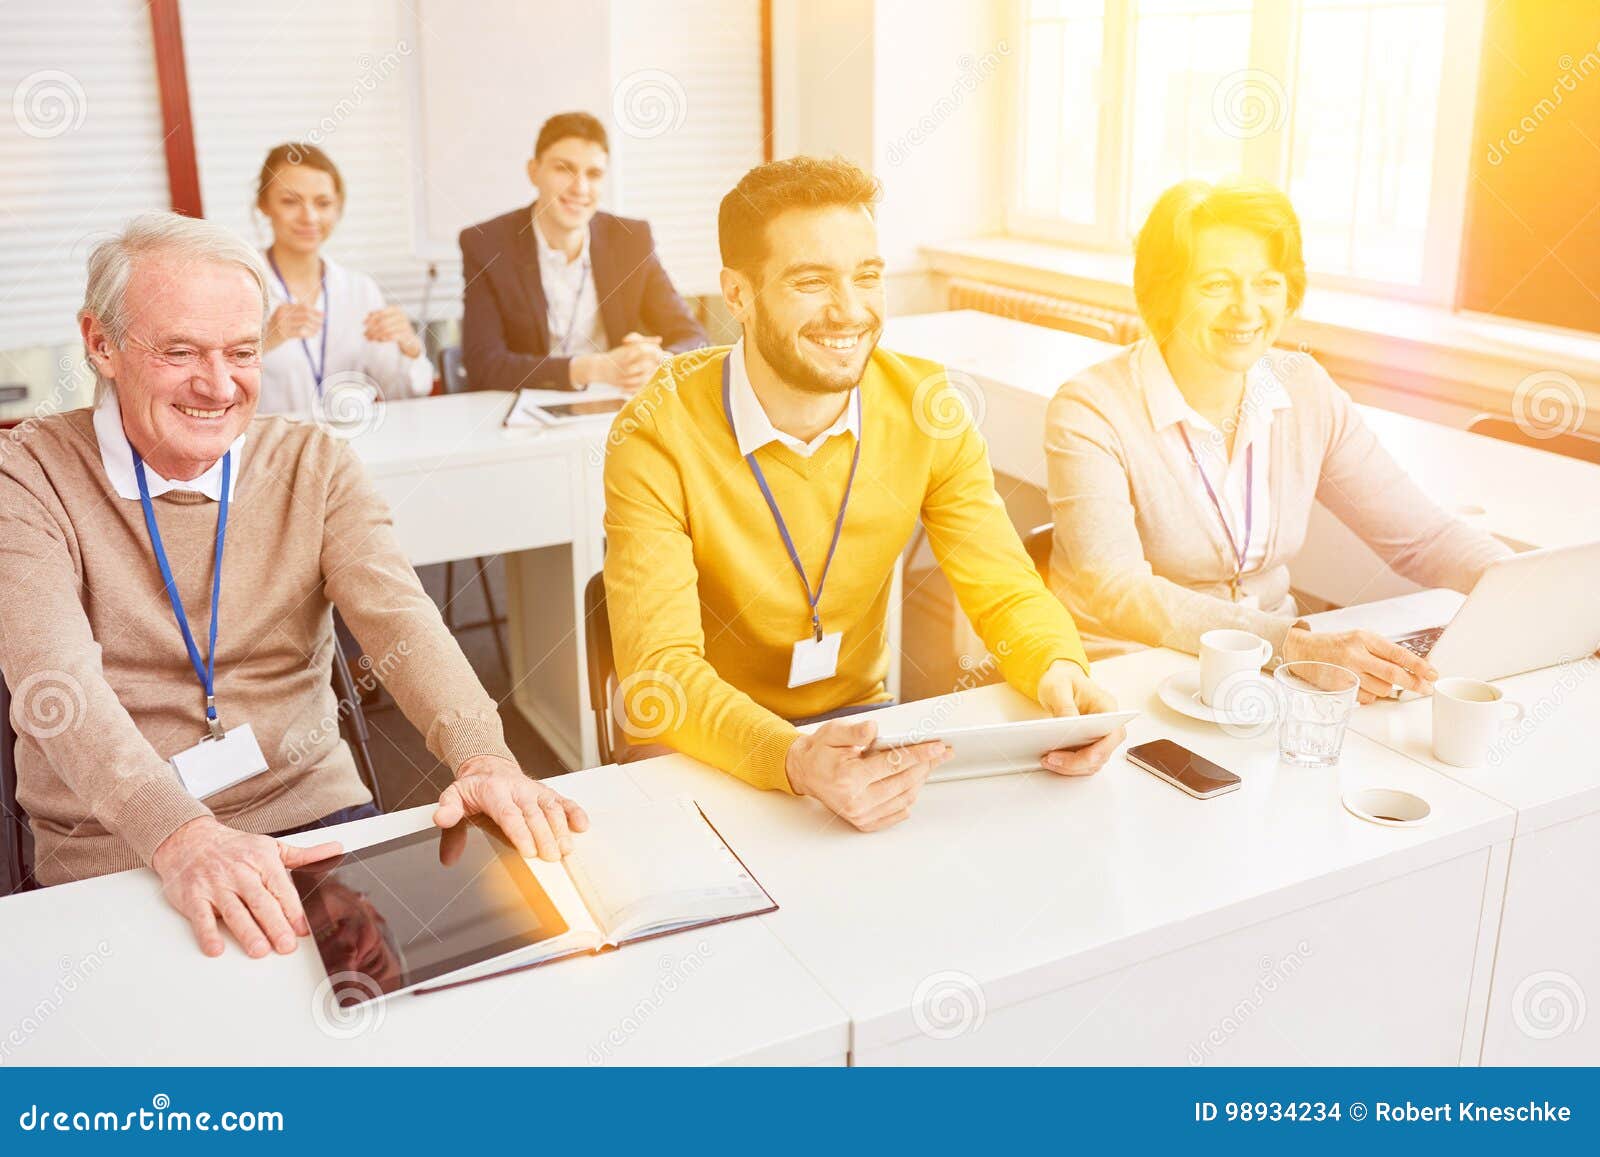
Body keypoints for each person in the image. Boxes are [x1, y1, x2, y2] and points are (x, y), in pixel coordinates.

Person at [0, 213, 588, 959]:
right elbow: (55, 681)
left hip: (309, 812)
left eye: (243, 352)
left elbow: (401, 622)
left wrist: (483, 756)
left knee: (422, 996)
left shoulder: (314, 463)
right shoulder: (28, 475)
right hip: (119, 842)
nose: (218, 386)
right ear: (100, 342)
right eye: (180, 351)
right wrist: (181, 834)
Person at [603, 157, 1124, 832]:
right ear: (737, 295)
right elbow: (663, 670)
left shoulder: (928, 407)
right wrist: (792, 758)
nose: (850, 310)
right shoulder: (655, 430)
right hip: (698, 742)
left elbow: (1005, 589)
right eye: (811, 281)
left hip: (856, 723)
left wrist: (1061, 669)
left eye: (868, 276)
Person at [1044, 178, 1511, 702]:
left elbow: (1423, 537)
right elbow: (1116, 591)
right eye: (1216, 285)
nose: (1246, 309)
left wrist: (1523, 587)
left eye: (1267, 282)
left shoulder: (1304, 388)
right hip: (1130, 677)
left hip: (1269, 681)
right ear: (1165, 292)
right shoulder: (1091, 408)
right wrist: (1291, 645)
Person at [459, 111, 707, 393]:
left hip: (612, 407)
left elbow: (695, 338)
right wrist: (590, 369)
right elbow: (483, 367)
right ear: (534, 171)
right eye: (563, 169)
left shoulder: (631, 241)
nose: (580, 188)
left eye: (594, 174)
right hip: (525, 407)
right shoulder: (486, 244)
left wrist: (660, 361)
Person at [253, 143, 433, 416]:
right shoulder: (239, 287)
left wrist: (409, 348)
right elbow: (213, 388)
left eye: (323, 203)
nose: (309, 217)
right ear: (264, 205)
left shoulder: (360, 289)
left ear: (337, 208)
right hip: (272, 441)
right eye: (290, 201)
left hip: (350, 438)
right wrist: (266, 340)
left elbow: (401, 392)